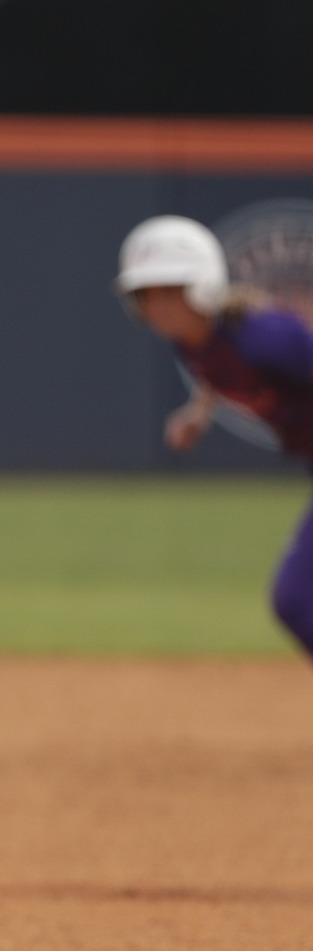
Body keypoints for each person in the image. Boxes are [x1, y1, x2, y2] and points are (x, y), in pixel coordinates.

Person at [117, 214, 313, 656]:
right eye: (146, 294)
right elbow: (216, 371)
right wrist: (198, 413)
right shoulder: (192, 340)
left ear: (202, 285)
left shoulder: (266, 337)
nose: (159, 305)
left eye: (171, 290)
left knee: (297, 600)